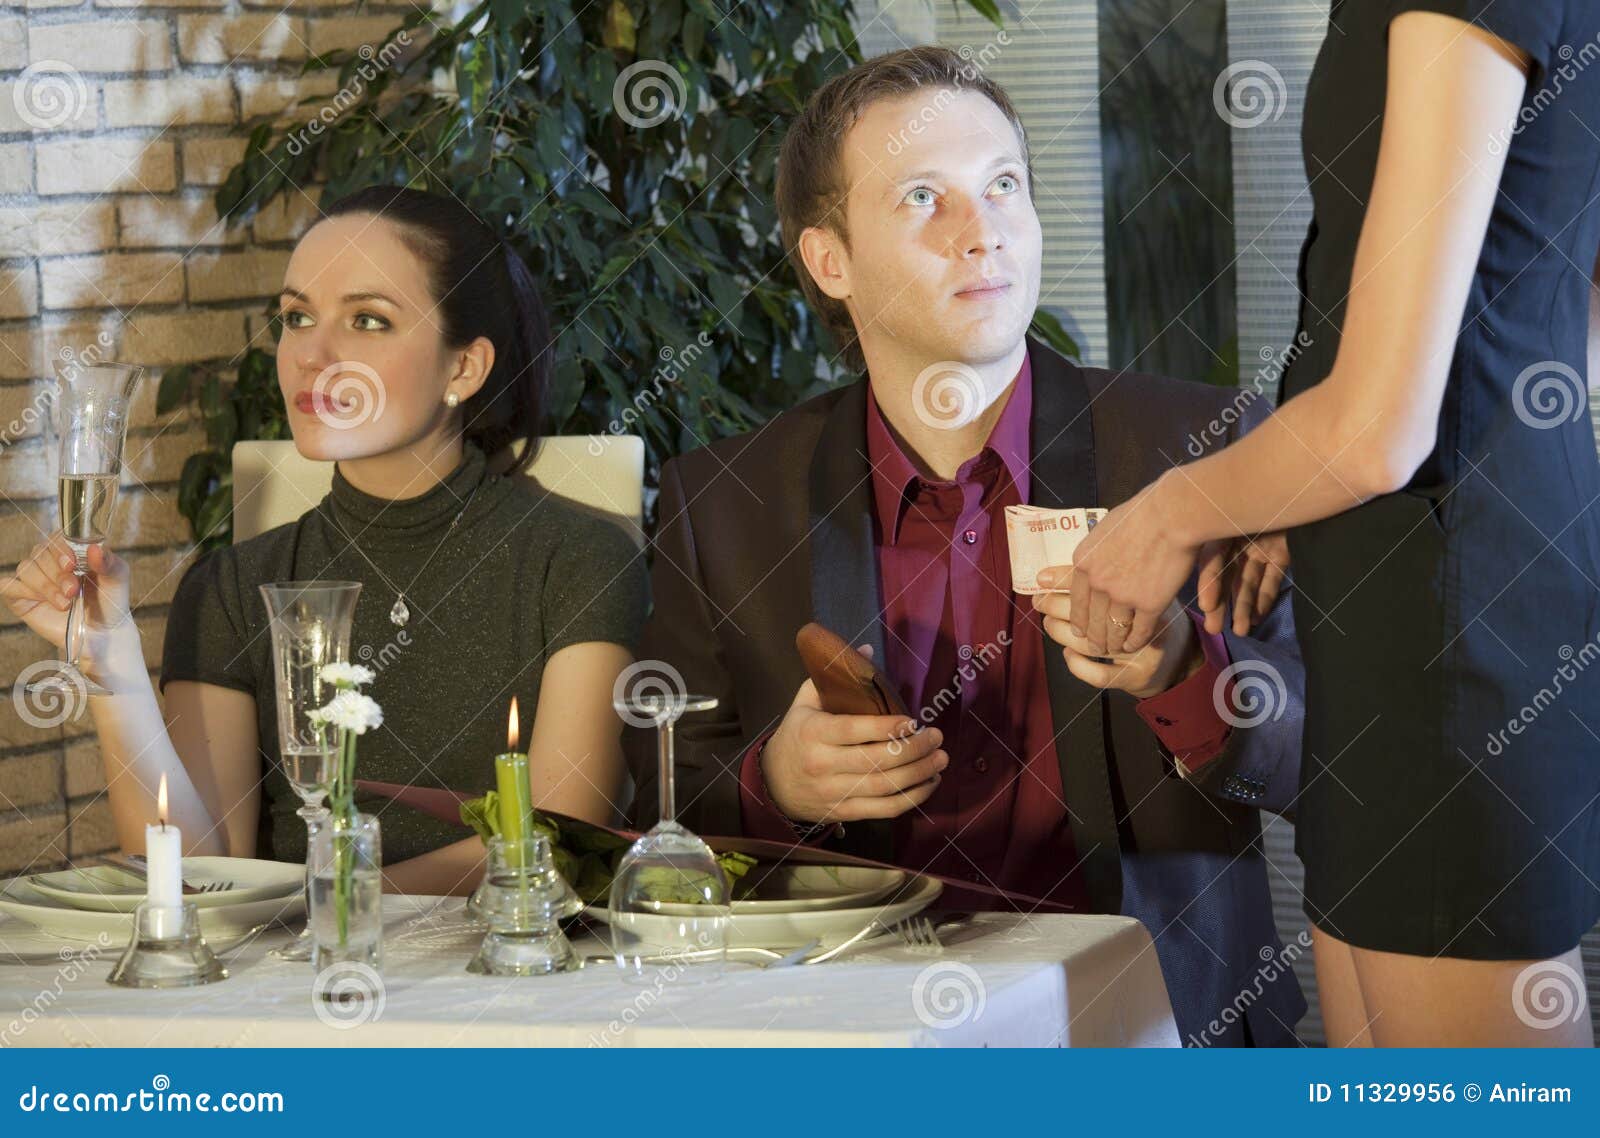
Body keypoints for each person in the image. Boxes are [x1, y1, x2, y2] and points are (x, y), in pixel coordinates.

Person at [626, 46, 1307, 1046]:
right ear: (830, 260)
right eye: (920, 198)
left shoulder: (1197, 451)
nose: (980, 230)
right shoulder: (722, 502)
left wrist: (1178, 670)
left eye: (1002, 187)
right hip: (849, 1037)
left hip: (1147, 1033)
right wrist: (774, 783)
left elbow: (1336, 754)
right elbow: (651, 789)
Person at [1066, 4, 1599, 1046]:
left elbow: (1380, 430)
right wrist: (1285, 491)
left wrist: (1178, 508)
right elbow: (1556, 292)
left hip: (1449, 617)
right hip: (1424, 580)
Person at [3, 186, 648, 896]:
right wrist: (112, 668)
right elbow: (194, 883)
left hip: (509, 980)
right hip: (287, 991)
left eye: (368, 319)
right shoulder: (228, 587)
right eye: (297, 316)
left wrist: (333, 905)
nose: (313, 354)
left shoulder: (579, 559)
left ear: (463, 368)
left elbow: (552, 844)